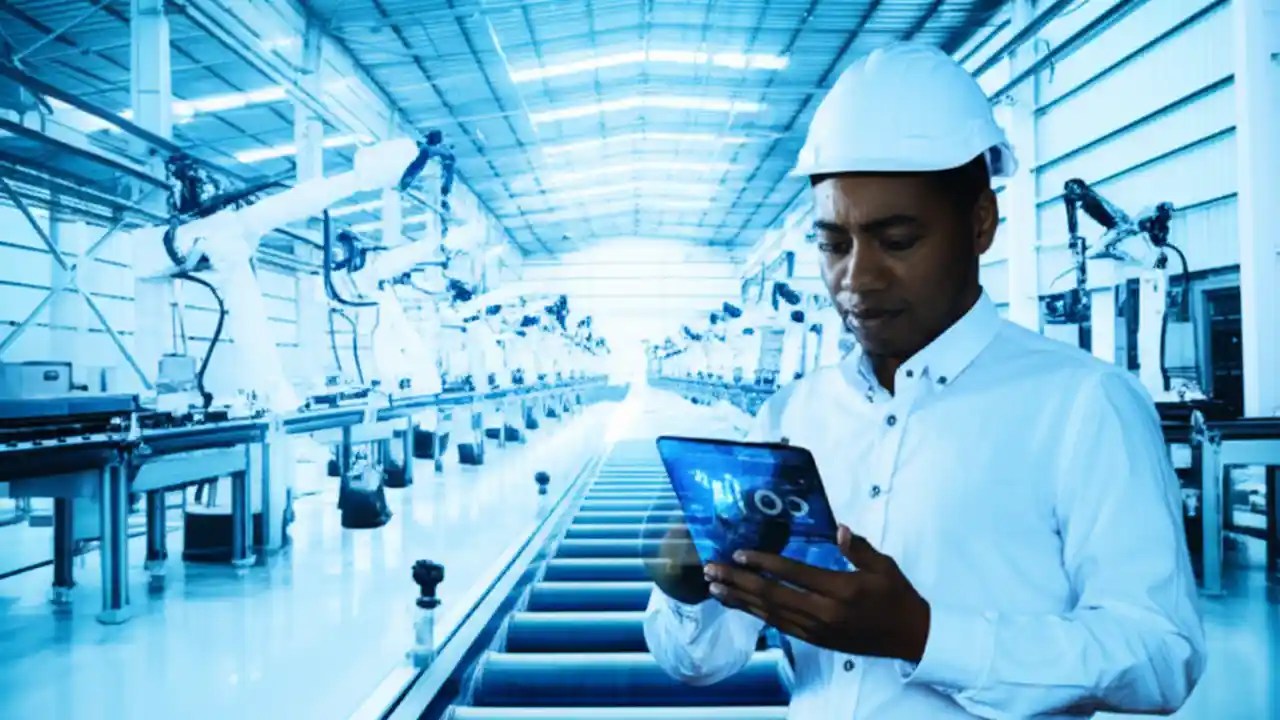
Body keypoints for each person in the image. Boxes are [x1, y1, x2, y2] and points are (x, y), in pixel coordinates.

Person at [642, 41, 1206, 718]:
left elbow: (1160, 654)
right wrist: (688, 587)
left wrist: (924, 635)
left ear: (980, 224)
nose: (857, 277)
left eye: (898, 240)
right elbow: (705, 661)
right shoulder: (795, 418)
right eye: (833, 244)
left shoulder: (1083, 407)